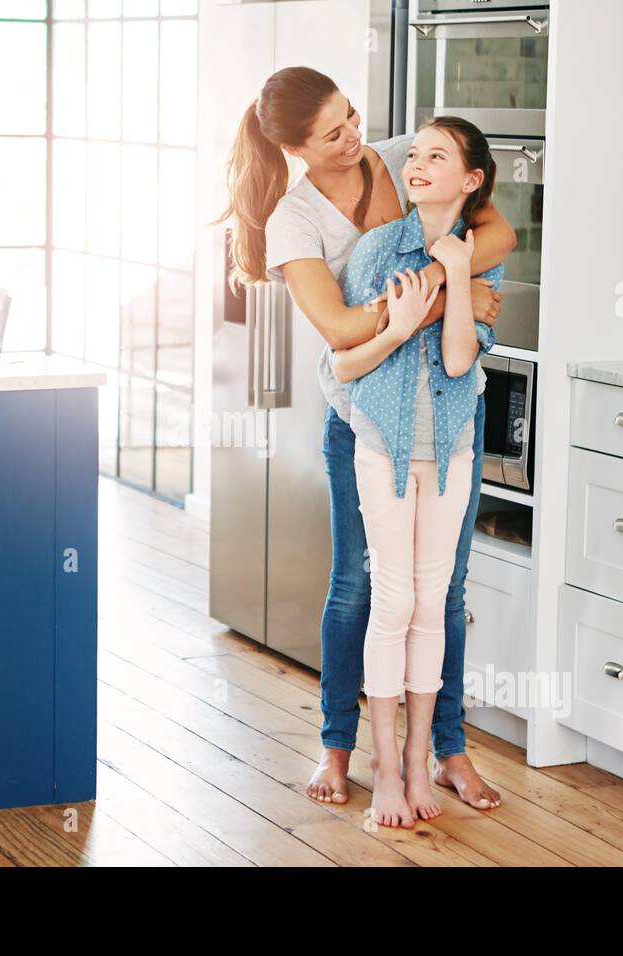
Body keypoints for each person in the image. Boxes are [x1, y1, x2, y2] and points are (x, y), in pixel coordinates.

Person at [218, 66, 509, 811]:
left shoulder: (400, 159)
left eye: (352, 118)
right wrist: (447, 293)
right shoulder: (295, 219)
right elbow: (344, 330)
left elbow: (495, 226)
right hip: (364, 418)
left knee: (441, 591)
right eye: (333, 135)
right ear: (296, 148)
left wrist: (458, 274)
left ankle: (446, 751)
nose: (355, 140)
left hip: (445, 416)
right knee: (360, 587)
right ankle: (337, 747)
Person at [328, 117, 503, 827]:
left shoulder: (478, 259)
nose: (418, 164)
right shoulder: (377, 250)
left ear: (471, 181)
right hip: (381, 451)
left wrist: (456, 276)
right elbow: (341, 365)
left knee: (435, 604)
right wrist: (399, 329)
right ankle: (383, 771)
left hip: (452, 450)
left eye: (439, 157)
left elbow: (461, 360)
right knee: (391, 602)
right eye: (416, 155)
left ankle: (418, 761)